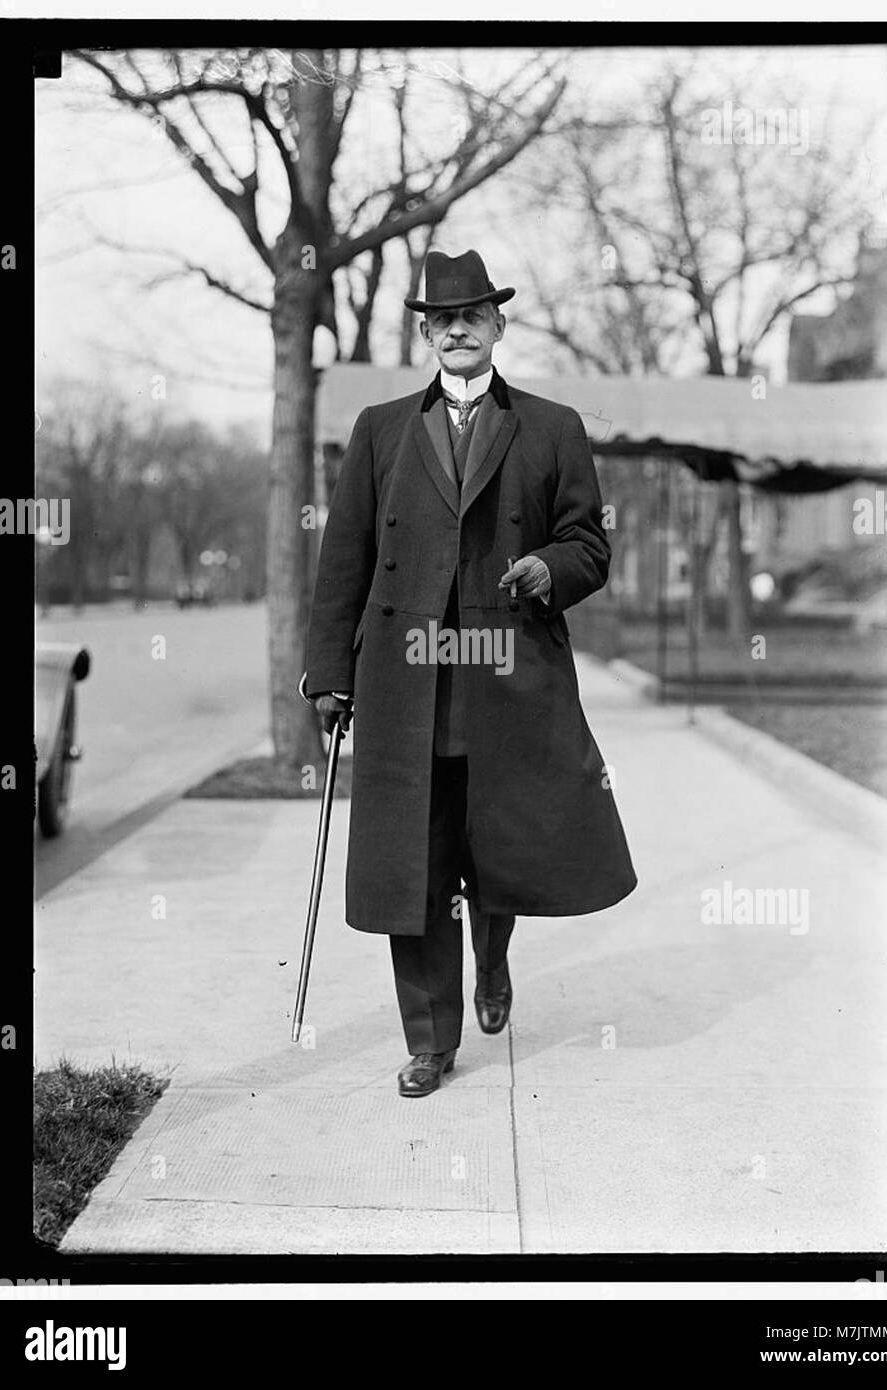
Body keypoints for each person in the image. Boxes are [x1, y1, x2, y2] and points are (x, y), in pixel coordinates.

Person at [301, 249, 637, 1097]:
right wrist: (325, 675)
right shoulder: (379, 430)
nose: (457, 328)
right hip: (406, 690)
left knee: (499, 851)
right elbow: (344, 560)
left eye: (473, 315)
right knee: (413, 867)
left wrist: (547, 571)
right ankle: (429, 1041)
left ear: (497, 326)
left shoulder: (553, 425)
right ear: (425, 333)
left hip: (507, 679)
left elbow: (589, 545)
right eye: (442, 318)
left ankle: (494, 966)